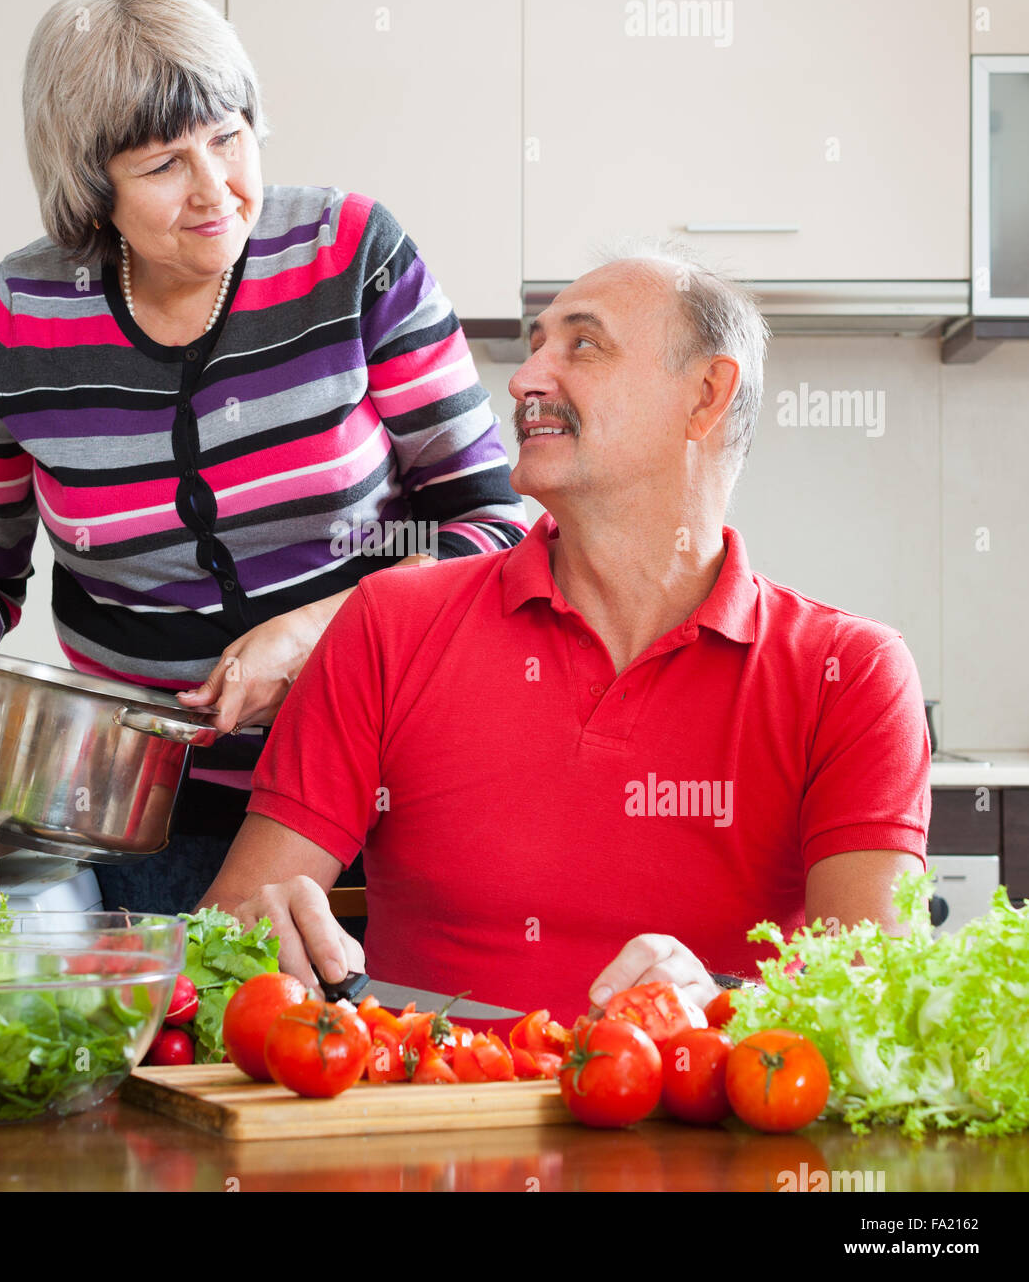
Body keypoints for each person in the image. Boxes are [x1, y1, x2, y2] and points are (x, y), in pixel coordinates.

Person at [0, 0, 526, 914]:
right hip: (139, 804)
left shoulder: (351, 258)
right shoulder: (13, 321)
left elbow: (493, 528)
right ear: (90, 190)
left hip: (387, 785)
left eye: (229, 139)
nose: (216, 189)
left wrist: (313, 636)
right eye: (162, 165)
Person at [196, 242, 932, 1024]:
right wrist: (256, 935)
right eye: (535, 344)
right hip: (429, 1128)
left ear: (707, 395)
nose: (523, 379)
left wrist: (721, 1010)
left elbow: (873, 1002)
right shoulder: (389, 623)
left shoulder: (850, 674)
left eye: (583, 344)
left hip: (705, 1135)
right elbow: (226, 936)